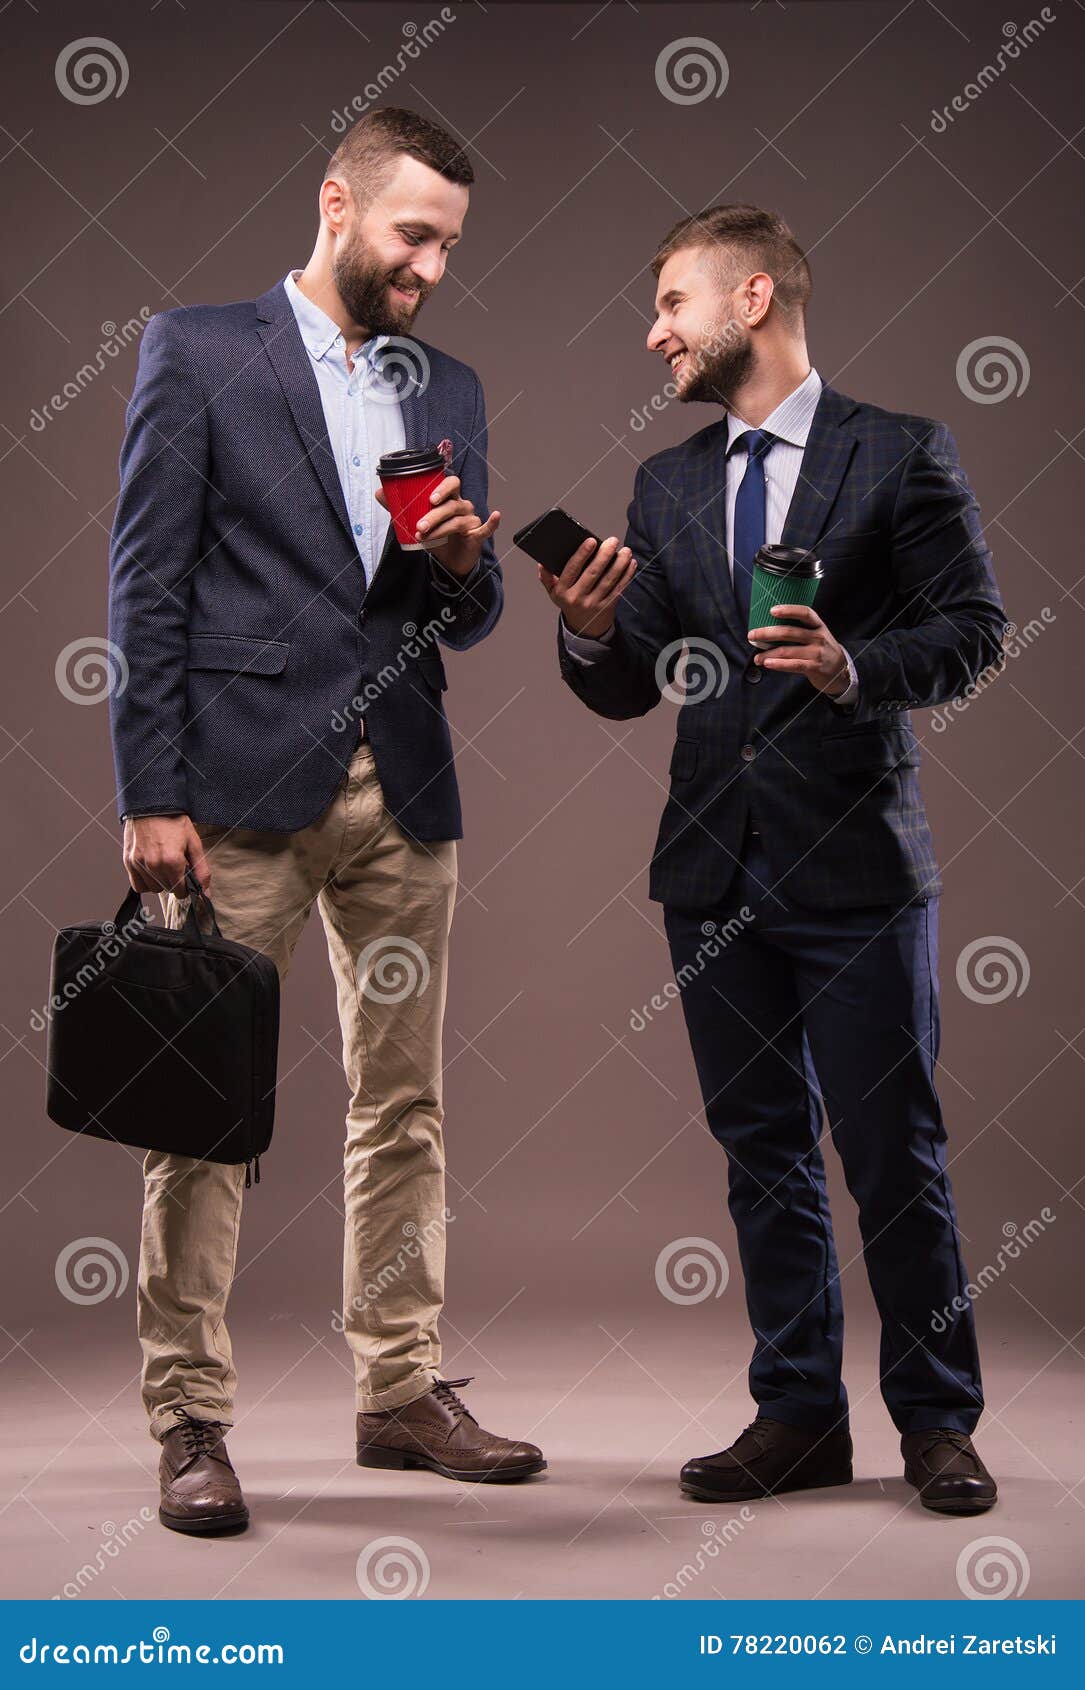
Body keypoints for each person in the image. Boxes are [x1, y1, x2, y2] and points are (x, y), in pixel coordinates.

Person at [108, 106, 544, 1537]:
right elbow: (147, 584)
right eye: (413, 234)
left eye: (449, 246)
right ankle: (190, 1416)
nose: (430, 265)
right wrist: (148, 789)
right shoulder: (199, 350)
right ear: (336, 202)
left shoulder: (451, 382)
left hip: (402, 791)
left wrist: (468, 567)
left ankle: (399, 1388)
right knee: (206, 1113)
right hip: (232, 788)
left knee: (402, 1102)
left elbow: (460, 614)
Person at [544, 204, 1007, 1516]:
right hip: (709, 869)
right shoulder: (669, 483)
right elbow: (629, 685)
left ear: (751, 299)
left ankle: (934, 1420)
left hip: (856, 868)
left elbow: (975, 630)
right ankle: (797, 1410)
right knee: (763, 1150)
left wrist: (854, 666)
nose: (654, 334)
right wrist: (586, 634)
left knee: (891, 1151)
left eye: (672, 306)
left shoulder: (901, 453)